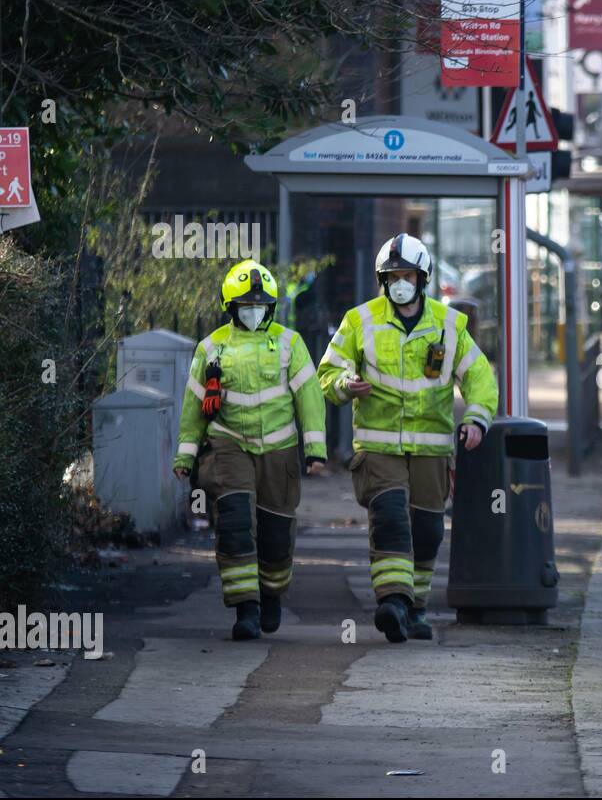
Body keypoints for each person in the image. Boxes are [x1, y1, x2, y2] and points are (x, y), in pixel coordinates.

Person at [318, 234, 497, 642]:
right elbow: (326, 375)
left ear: (423, 278)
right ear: (383, 281)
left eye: (407, 275)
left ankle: (414, 608)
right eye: (392, 276)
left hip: (431, 449)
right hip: (378, 449)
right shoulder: (359, 320)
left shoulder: (449, 325)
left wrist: (477, 419)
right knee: (391, 519)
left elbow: (479, 378)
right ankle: (392, 602)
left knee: (428, 531)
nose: (400, 282)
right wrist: (346, 384)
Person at [172, 260, 328, 640]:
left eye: (259, 305)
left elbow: (309, 397)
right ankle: (246, 608)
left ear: (271, 307)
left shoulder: (290, 343)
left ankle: (271, 594)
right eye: (245, 305)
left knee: (276, 532)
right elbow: (193, 407)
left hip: (279, 449)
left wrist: (315, 450)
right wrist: (185, 455)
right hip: (229, 445)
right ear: (231, 307)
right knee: (234, 523)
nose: (253, 311)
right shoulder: (212, 348)